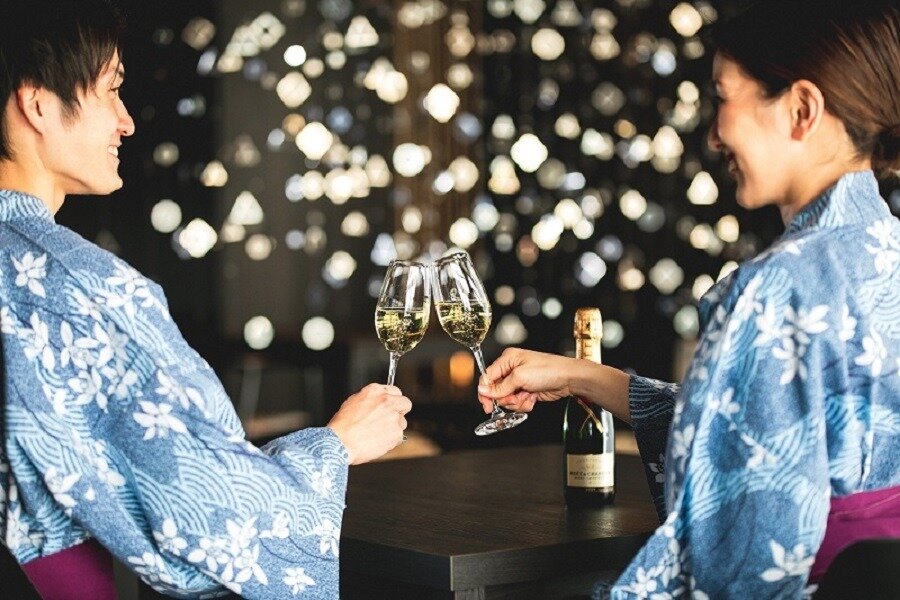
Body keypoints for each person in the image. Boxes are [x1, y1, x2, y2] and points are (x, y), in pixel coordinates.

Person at [478, 1, 899, 598]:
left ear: (802, 109)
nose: (713, 134)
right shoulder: (886, 252)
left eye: (723, 98)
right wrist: (579, 376)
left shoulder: (772, 291)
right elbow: (755, 432)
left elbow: (736, 560)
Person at [0, 1, 411, 598]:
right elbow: (213, 514)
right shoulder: (81, 288)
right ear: (37, 104)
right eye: (111, 89)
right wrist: (339, 445)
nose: (126, 121)